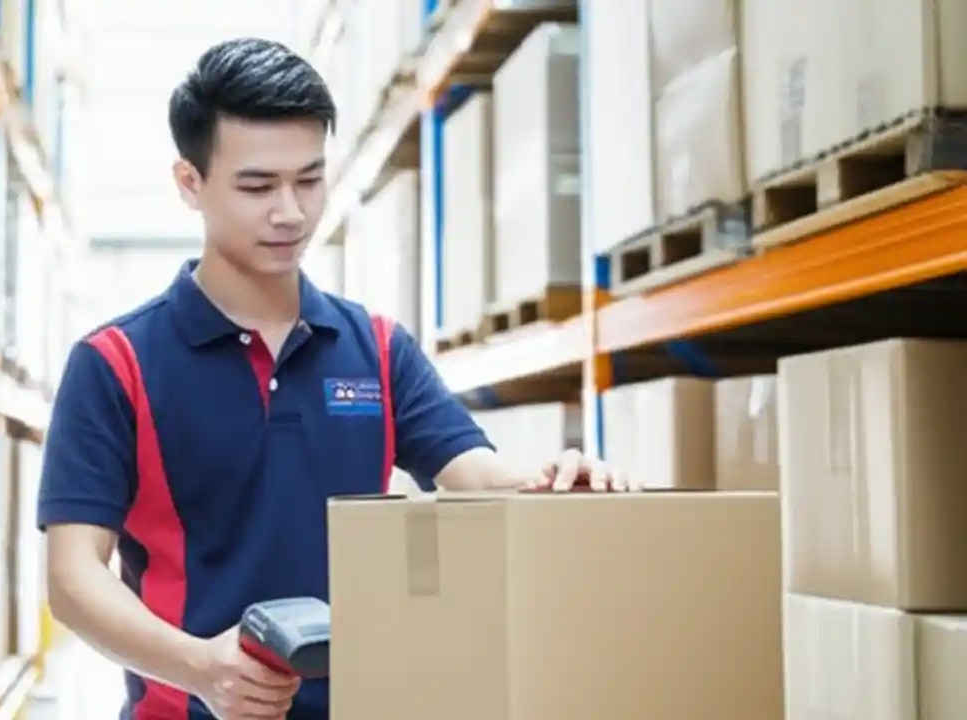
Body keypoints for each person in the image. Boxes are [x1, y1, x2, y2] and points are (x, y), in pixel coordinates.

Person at [39, 37, 639, 720]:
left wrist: (556, 483)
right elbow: (74, 577)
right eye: (258, 186)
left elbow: (475, 475)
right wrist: (201, 669)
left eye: (309, 179)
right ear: (190, 183)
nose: (291, 212)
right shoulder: (116, 363)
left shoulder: (377, 350)